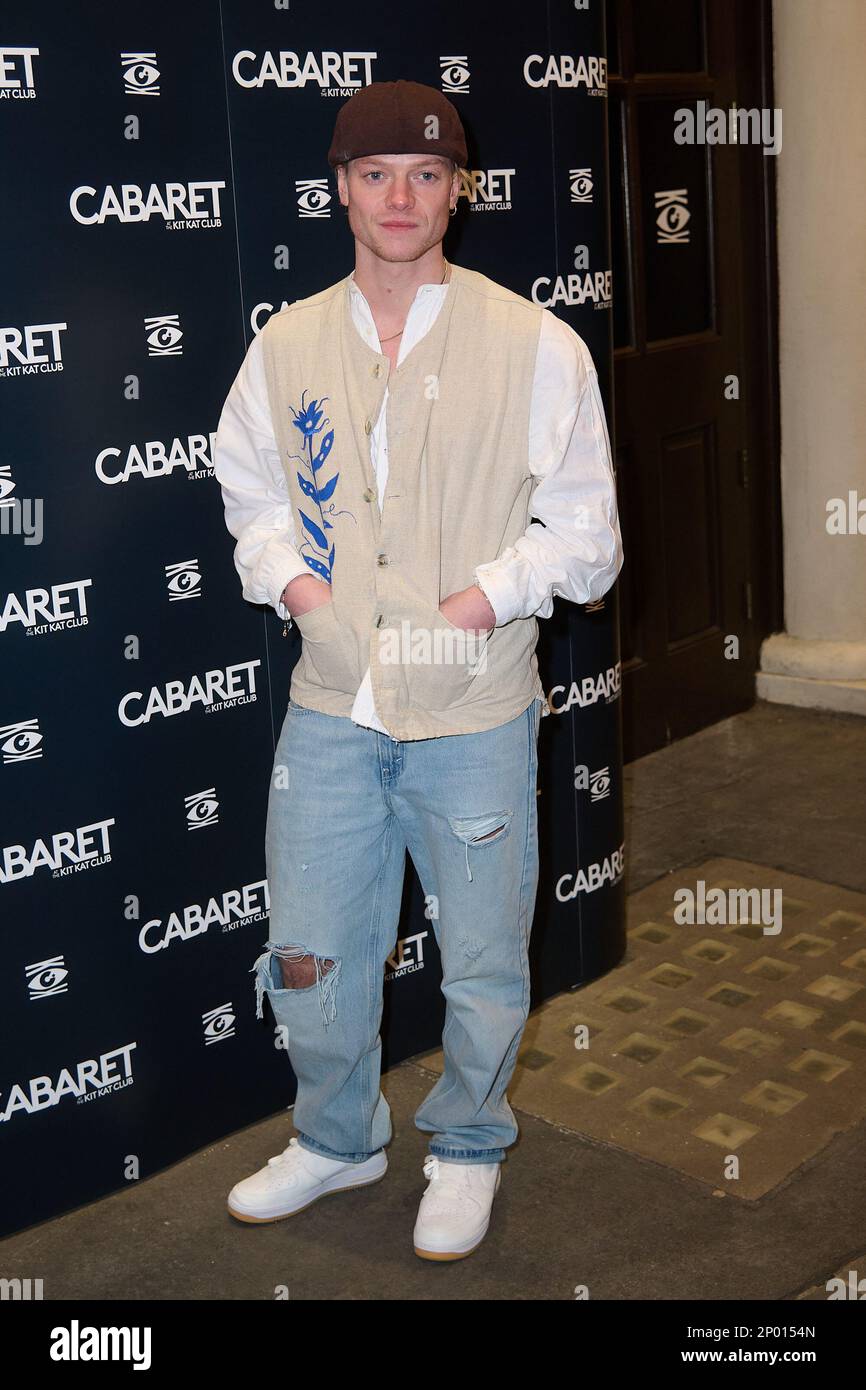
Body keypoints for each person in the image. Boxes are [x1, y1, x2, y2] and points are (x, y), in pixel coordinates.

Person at [213, 79, 623, 1261]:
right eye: (377, 173)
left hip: (475, 710)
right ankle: (339, 1140)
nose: (401, 196)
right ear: (340, 188)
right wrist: (296, 586)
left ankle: (465, 1145)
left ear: (459, 190)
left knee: (485, 958)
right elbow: (249, 488)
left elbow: (584, 535)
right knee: (308, 950)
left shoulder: (536, 345)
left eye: (427, 174)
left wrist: (471, 603)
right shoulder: (284, 343)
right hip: (331, 708)